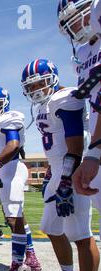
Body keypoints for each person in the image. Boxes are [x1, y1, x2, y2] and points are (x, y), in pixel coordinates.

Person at [21, 58, 99, 271]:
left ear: (53, 77)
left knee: (80, 234)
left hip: (72, 171)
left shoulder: (65, 98)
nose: (36, 90)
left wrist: (66, 180)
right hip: (58, 172)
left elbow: (75, 145)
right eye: (31, 87)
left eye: (40, 83)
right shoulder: (45, 104)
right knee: (51, 228)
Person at [0, 86, 42, 271]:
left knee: (13, 219)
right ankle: (31, 254)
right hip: (9, 169)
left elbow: (13, 144)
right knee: (17, 216)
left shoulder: (9, 118)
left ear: (4, 101)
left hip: (12, 168)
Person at [62, 0, 101, 246]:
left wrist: (94, 150)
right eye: (70, 23)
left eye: (79, 16)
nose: (78, 26)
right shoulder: (85, 52)